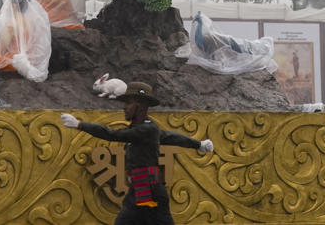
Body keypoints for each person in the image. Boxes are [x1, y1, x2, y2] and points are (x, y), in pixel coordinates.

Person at [60, 82, 214, 224]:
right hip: (141, 188)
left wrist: (80, 125)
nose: (124, 107)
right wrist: (199, 144)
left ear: (140, 106)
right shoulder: (145, 128)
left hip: (149, 191)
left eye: (128, 103)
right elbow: (171, 137)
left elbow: (112, 134)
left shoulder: (147, 129)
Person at [0, 0, 51, 82]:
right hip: (30, 60)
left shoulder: (12, 25)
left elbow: (0, 49)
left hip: (14, 62)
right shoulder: (31, 24)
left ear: (14, 6)